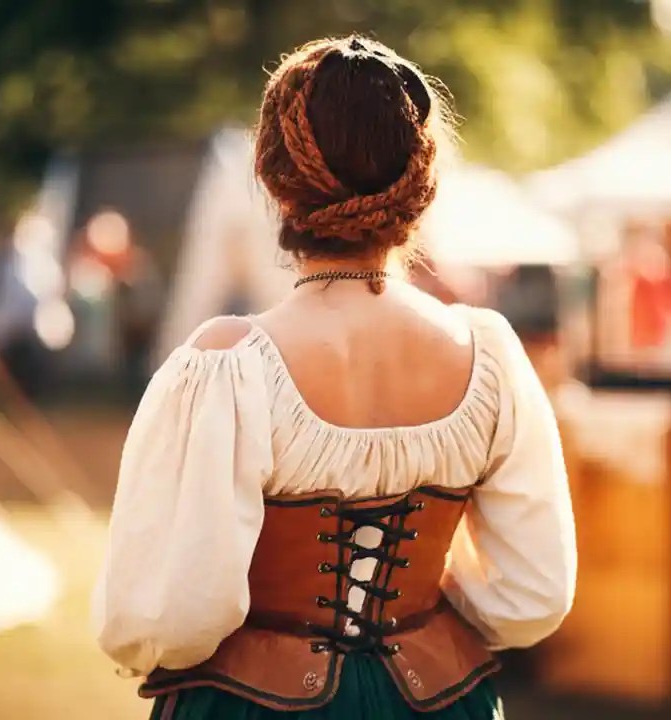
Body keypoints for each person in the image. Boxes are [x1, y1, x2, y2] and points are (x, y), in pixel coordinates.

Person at [92, 36, 577, 719]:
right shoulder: (487, 354)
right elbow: (536, 593)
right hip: (442, 700)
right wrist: (423, 611)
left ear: (271, 177)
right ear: (422, 182)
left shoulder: (228, 367)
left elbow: (168, 616)